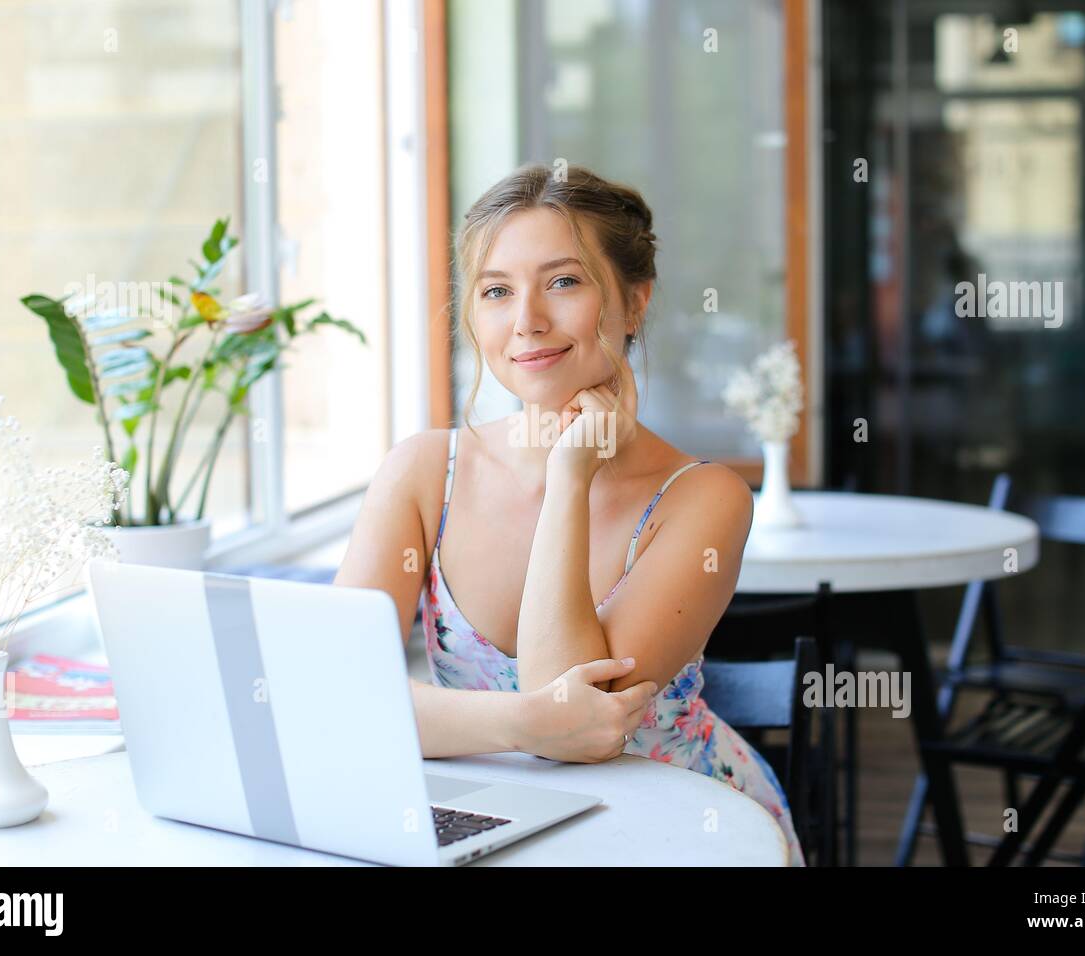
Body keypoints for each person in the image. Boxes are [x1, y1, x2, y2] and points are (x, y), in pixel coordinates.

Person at [335, 163, 804, 866]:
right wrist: (525, 723)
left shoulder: (704, 498)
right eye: (497, 291)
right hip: (485, 829)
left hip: (676, 830)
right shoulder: (422, 472)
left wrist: (568, 480)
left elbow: (587, 732)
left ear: (634, 303)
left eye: (563, 281)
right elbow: (340, 696)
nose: (527, 321)